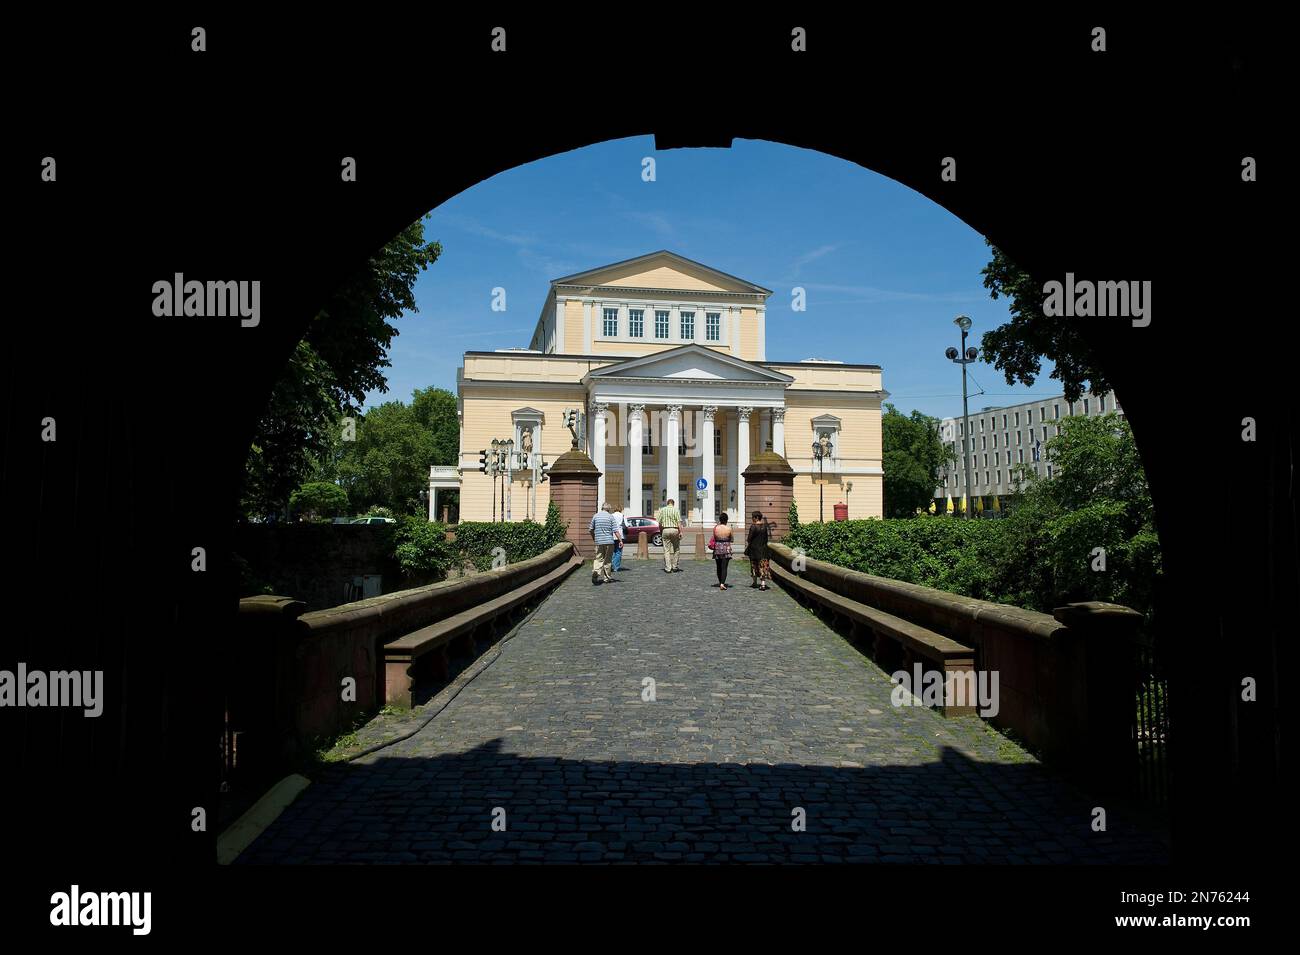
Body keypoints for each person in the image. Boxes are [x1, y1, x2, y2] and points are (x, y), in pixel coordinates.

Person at [588, 502, 619, 584]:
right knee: (608, 560)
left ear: (602, 508)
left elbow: (590, 529)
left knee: (599, 558)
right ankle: (607, 578)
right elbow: (615, 530)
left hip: (599, 541)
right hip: (609, 541)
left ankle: (596, 572)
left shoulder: (596, 516)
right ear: (608, 509)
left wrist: (594, 537)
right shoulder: (610, 517)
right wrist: (621, 540)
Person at [745, 510, 772, 591]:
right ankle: (763, 584)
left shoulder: (753, 527)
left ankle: (755, 582)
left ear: (756, 518)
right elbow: (766, 539)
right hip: (763, 549)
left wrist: (752, 542)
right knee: (763, 566)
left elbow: (749, 539)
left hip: (754, 550)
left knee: (754, 565)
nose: (752, 519)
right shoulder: (764, 527)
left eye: (753, 517)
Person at [655, 497, 683, 573]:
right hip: (675, 530)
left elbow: (659, 523)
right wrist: (680, 532)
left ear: (667, 503)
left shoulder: (662, 510)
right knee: (676, 549)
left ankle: (668, 568)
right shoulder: (676, 510)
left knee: (666, 550)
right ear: (673, 504)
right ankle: (675, 566)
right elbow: (679, 523)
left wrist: (661, 531)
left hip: (665, 529)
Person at [711, 511, 735, 590]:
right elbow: (732, 539)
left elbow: (714, 537)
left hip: (717, 548)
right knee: (724, 567)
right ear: (726, 520)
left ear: (720, 520)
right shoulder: (729, 528)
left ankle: (720, 581)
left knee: (718, 566)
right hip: (726, 549)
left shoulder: (716, 528)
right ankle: (722, 583)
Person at [610, 504, 627, 571]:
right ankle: (616, 567)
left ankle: (611, 565)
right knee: (619, 551)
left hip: (613, 534)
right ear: (621, 509)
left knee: (613, 551)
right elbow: (626, 525)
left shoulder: (611, 515)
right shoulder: (622, 516)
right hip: (620, 535)